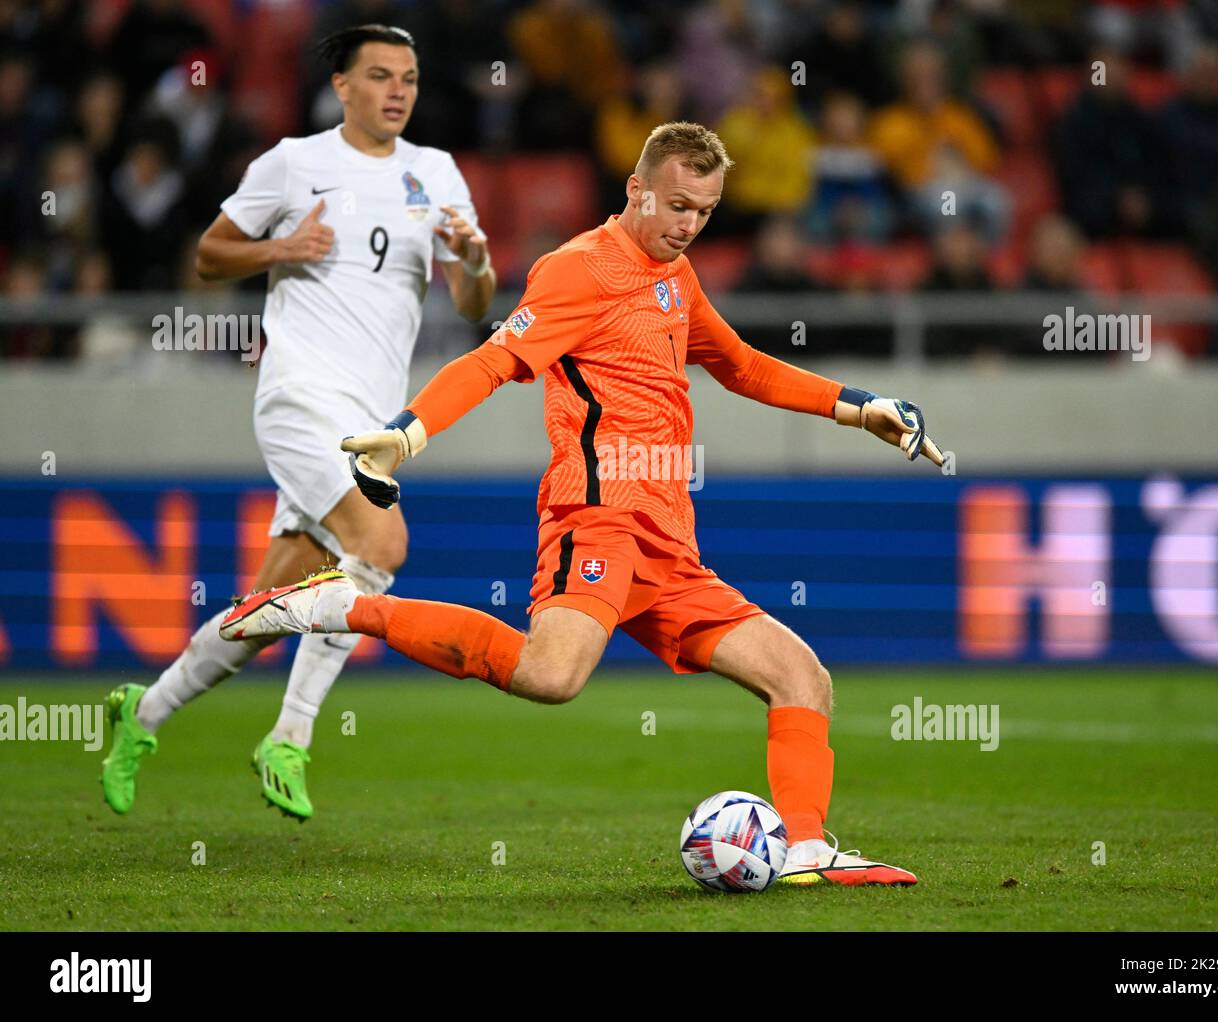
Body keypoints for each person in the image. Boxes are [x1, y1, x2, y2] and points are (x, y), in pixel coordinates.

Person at [220, 121, 940, 886]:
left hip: (669, 544)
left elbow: (740, 365)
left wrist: (858, 406)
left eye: (704, 211)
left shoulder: (676, 275)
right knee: (551, 677)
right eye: (677, 206)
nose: (689, 225)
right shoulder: (578, 270)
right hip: (597, 519)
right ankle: (342, 605)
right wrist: (406, 433)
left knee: (802, 676)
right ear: (636, 190)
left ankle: (806, 852)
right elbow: (493, 360)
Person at [99, 24, 496, 820]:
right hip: (298, 395)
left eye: (409, 77)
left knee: (270, 607)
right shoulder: (292, 161)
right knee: (381, 545)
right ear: (341, 86)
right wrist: (283, 248)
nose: (398, 90)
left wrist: (478, 260)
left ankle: (144, 712)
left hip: (371, 419)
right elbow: (209, 256)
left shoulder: (435, 172)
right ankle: (291, 734)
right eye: (380, 75)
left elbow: (470, 303)